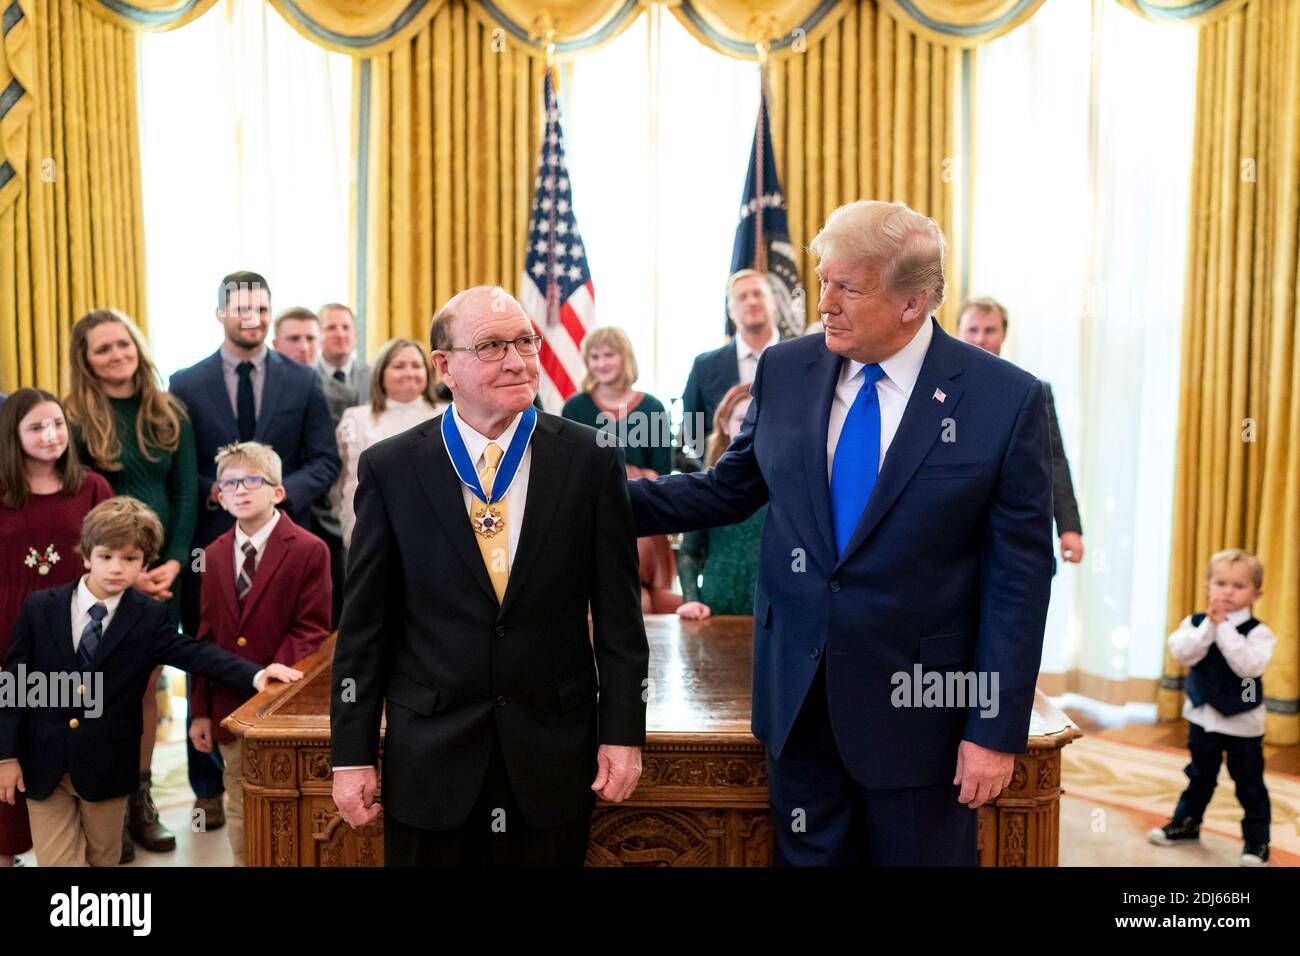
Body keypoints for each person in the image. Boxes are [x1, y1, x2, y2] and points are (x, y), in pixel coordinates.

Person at [628, 200, 1054, 866]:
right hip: (799, 705)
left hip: (924, 721)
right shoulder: (785, 370)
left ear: (913, 302)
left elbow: (1020, 582)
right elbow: (727, 489)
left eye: (846, 288)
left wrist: (995, 731)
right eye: (823, 280)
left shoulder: (1005, 400)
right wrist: (583, 498)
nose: (824, 303)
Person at [330, 285, 648, 866]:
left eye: (525, 341)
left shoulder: (591, 458)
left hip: (553, 753)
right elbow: (364, 628)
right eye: (491, 346)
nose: (517, 360)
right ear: (444, 366)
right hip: (430, 757)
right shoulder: (391, 467)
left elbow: (620, 621)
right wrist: (351, 755)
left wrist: (623, 733)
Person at [0, 496, 303, 867]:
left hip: (108, 767)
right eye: (106, 556)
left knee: (103, 859)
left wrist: (256, 674)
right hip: (44, 765)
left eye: (130, 558)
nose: (116, 568)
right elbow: (14, 685)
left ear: (145, 563)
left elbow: (196, 654)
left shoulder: (149, 618)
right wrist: (6, 755)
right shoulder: (39, 608)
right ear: (86, 556)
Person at [169, 270, 339, 826]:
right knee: (209, 645)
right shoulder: (186, 382)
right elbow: (182, 466)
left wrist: (275, 498)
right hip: (212, 545)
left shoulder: (303, 380)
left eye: (262, 309)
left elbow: (324, 459)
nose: (253, 319)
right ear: (221, 313)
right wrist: (228, 496)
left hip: (285, 540)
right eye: (241, 309)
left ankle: (282, 761)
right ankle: (207, 787)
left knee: (289, 644)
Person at [66, 308, 198, 861]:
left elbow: (186, 492)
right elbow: (75, 503)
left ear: (137, 347)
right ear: (86, 361)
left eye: (123, 343)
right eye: (102, 349)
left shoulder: (170, 413)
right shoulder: (74, 420)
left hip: (162, 578)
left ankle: (140, 802)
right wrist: (123, 572)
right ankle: (106, 807)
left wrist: (173, 562)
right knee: (101, 691)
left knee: (146, 688)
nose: (117, 355)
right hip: (104, 577)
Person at [189, 442, 331, 865]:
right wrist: (199, 710)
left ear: (278, 492)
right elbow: (205, 637)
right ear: (219, 496)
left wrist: (270, 676)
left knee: (288, 806)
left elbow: (311, 629)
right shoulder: (211, 554)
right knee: (239, 803)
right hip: (228, 706)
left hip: (283, 704)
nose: (240, 489)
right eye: (230, 483)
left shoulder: (309, 548)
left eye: (253, 480)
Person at [0, 389, 113, 867]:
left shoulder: (92, 487)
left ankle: (79, 850)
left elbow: (115, 550)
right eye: (36, 427)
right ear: (12, 436)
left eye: (58, 424)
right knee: (9, 742)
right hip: (8, 630)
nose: (51, 435)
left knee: (71, 740)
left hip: (76, 632)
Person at [1148, 549, 1274, 866]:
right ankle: (1186, 824)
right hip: (1203, 717)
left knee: (1249, 784)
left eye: (1238, 586)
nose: (1228, 591)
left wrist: (1225, 628)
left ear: (1256, 594)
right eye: (1220, 583)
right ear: (1208, 587)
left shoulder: (1258, 632)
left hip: (1243, 722)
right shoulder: (1194, 623)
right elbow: (1184, 654)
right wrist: (1210, 625)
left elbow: (1248, 667)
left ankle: (1257, 841)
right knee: (1199, 776)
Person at [957, 297, 1083, 565]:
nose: (980, 339)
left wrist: (1069, 528)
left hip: (1015, 538)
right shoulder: (937, 392)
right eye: (972, 330)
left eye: (990, 330)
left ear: (1004, 334)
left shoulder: (1031, 391)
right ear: (958, 332)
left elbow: (1053, 460)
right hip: (955, 539)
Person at [562, 327, 678, 613]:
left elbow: (662, 472)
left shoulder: (652, 407)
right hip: (590, 512)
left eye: (609, 355)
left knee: (645, 600)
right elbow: (567, 469)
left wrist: (628, 477)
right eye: (594, 357)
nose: (601, 363)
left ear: (625, 357)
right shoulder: (575, 407)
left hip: (640, 512)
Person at [333, 338, 445, 550]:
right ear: (381, 373)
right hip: (373, 526)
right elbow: (345, 481)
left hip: (434, 529)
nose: (409, 373)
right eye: (399, 366)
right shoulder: (356, 418)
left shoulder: (448, 416)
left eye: (416, 365)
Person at [675, 384, 767, 620]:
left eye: (757, 419)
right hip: (715, 608)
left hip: (769, 610)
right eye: (741, 419)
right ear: (725, 425)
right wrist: (691, 598)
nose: (750, 426)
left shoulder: (783, 485)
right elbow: (689, 553)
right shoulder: (709, 486)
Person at [680, 269, 780, 460]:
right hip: (724, 472)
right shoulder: (704, 366)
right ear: (731, 310)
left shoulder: (803, 358)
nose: (752, 301)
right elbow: (692, 431)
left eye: (758, 293)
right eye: (742, 297)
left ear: (774, 302)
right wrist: (718, 466)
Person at [313, 304, 370, 626]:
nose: (340, 334)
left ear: (356, 334)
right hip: (320, 496)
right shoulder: (306, 378)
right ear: (319, 334)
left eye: (346, 327)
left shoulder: (374, 375)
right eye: (331, 328)